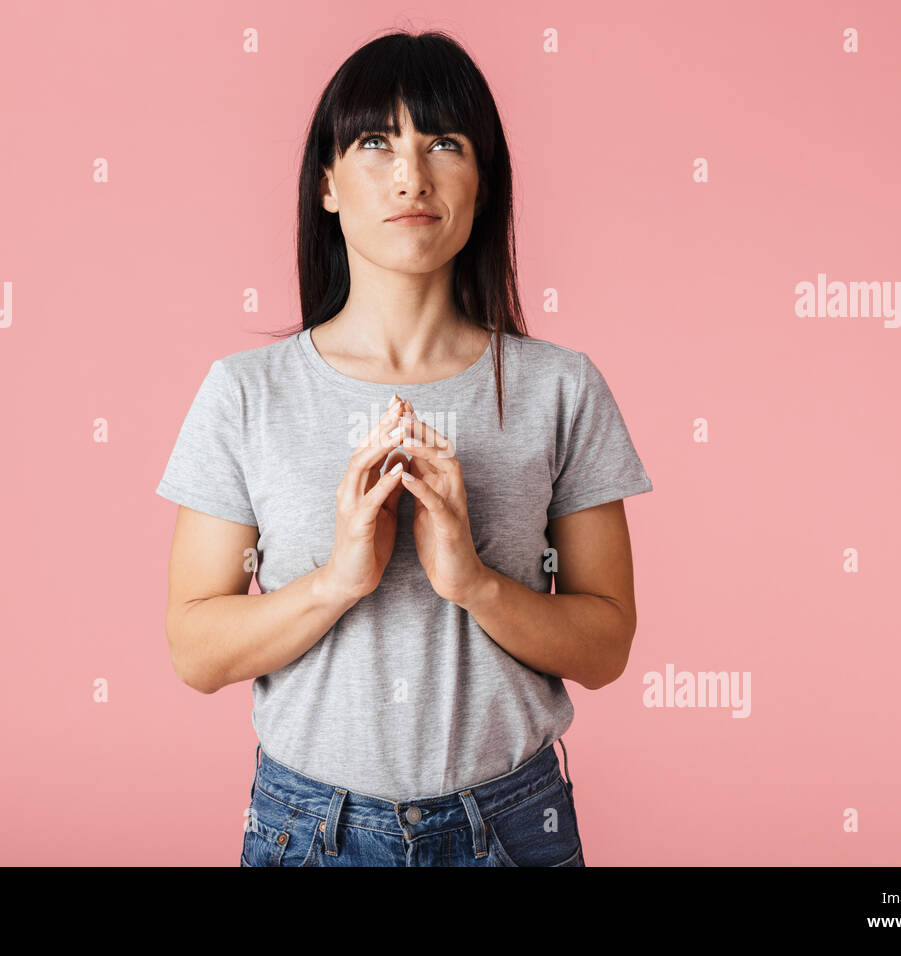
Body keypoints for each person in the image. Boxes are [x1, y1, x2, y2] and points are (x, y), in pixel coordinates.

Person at [157, 31, 652, 866]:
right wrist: (338, 582)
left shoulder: (561, 388)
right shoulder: (245, 393)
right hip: (307, 830)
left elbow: (606, 646)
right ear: (326, 182)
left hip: (513, 826)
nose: (410, 176)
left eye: (444, 143)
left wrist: (473, 583)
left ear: (482, 183)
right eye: (376, 141)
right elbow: (195, 652)